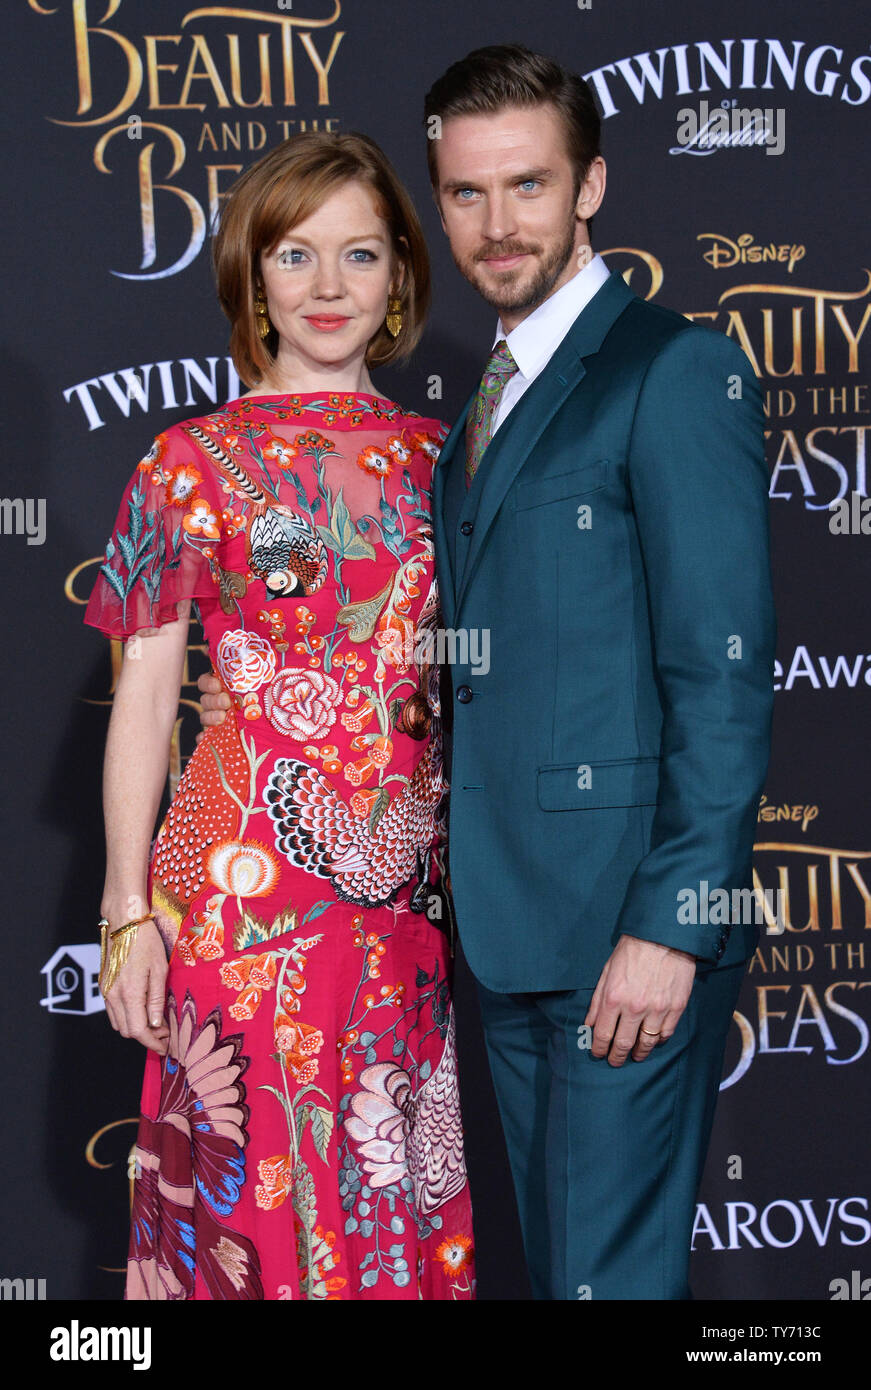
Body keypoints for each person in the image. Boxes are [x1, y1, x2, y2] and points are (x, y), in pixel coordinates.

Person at [197, 45, 777, 1300]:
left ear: (592, 187)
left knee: (608, 1283)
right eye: (466, 193)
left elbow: (722, 672)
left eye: (528, 185)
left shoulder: (671, 370)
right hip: (495, 928)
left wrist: (671, 927)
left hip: (621, 933)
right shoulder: (485, 404)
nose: (498, 224)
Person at [84, 130, 476, 1301]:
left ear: (401, 275)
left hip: (407, 897)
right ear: (253, 274)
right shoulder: (185, 463)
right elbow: (145, 695)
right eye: (295, 257)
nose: (326, 289)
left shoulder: (448, 461)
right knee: (249, 1195)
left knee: (383, 1184)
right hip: (234, 894)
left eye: (359, 256)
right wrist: (121, 910)